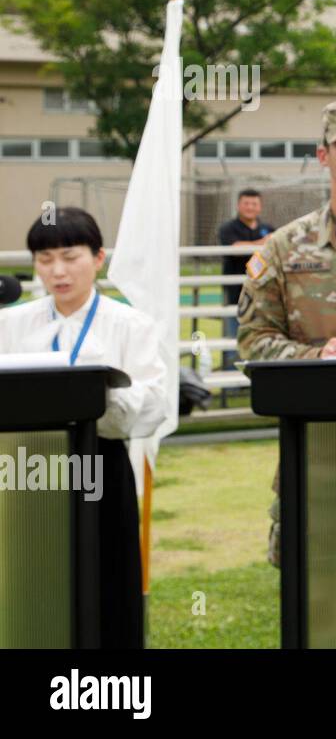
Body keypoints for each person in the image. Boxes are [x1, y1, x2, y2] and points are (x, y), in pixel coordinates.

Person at [237, 99, 336, 567]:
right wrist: (322, 355)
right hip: (314, 456)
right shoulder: (284, 249)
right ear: (324, 155)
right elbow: (253, 341)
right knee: (315, 606)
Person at [0, 206, 168, 647]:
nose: (58, 271)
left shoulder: (131, 324)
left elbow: (152, 404)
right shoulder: (12, 323)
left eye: (70, 257)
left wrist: (90, 395)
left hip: (99, 465)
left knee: (107, 577)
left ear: (98, 258)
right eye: (45, 259)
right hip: (28, 467)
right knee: (31, 579)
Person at [217, 189, 274, 368]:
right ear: (238, 205)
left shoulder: (268, 229)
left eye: (254, 204)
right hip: (235, 294)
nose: (250, 207)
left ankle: (255, 379)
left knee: (261, 338)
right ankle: (230, 384)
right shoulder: (228, 228)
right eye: (246, 203)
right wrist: (263, 243)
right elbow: (235, 247)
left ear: (260, 207)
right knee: (232, 339)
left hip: (263, 295)